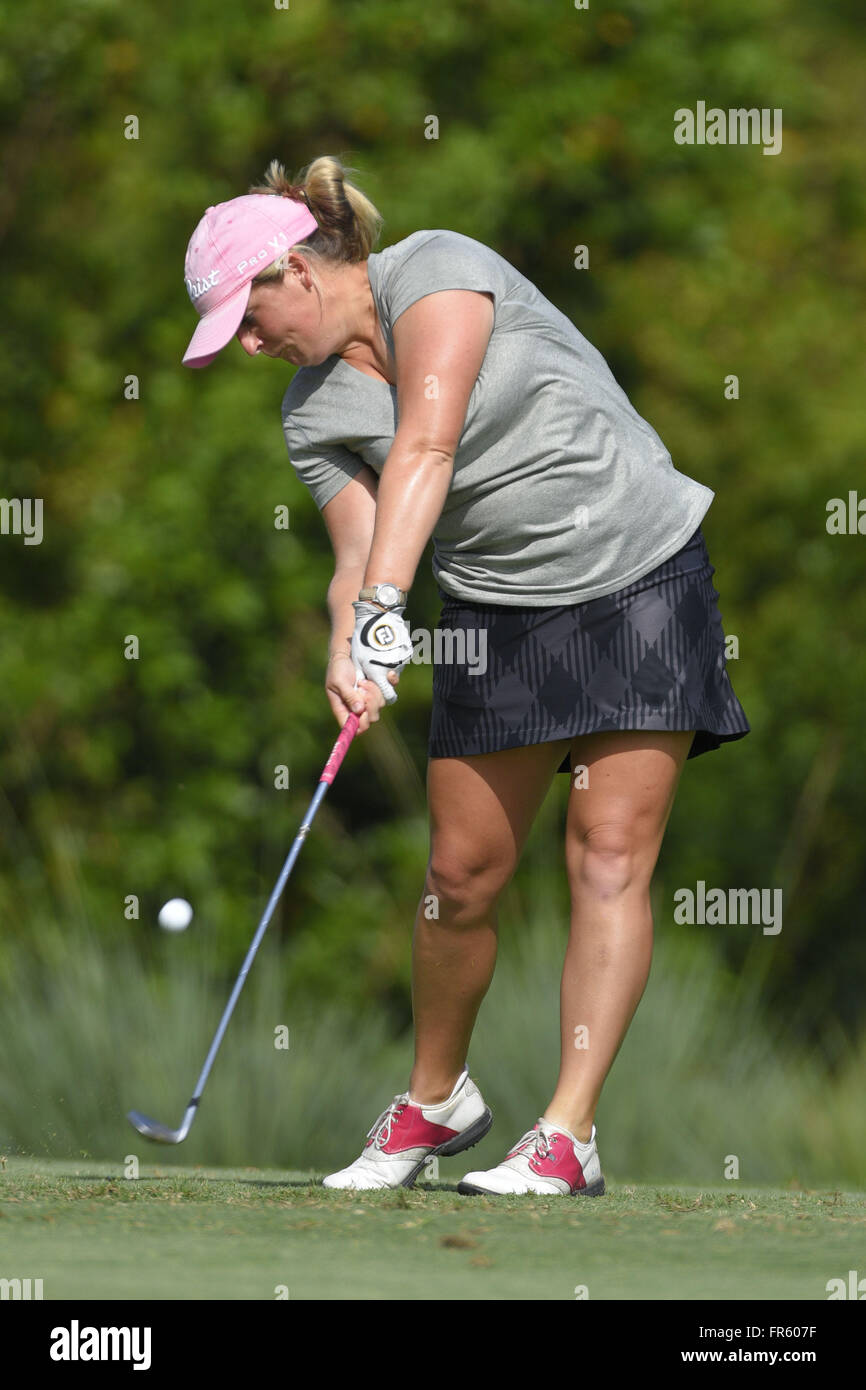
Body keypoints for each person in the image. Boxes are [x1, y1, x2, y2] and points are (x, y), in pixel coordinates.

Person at [182, 154, 750, 1197]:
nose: (254, 346)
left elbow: (428, 449)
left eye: (249, 319)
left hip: (636, 569)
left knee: (608, 855)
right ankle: (435, 1100)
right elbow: (357, 554)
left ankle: (566, 1133)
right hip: (496, 610)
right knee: (458, 875)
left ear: (295, 269)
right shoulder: (311, 414)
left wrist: (385, 608)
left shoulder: (437, 272)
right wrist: (346, 641)